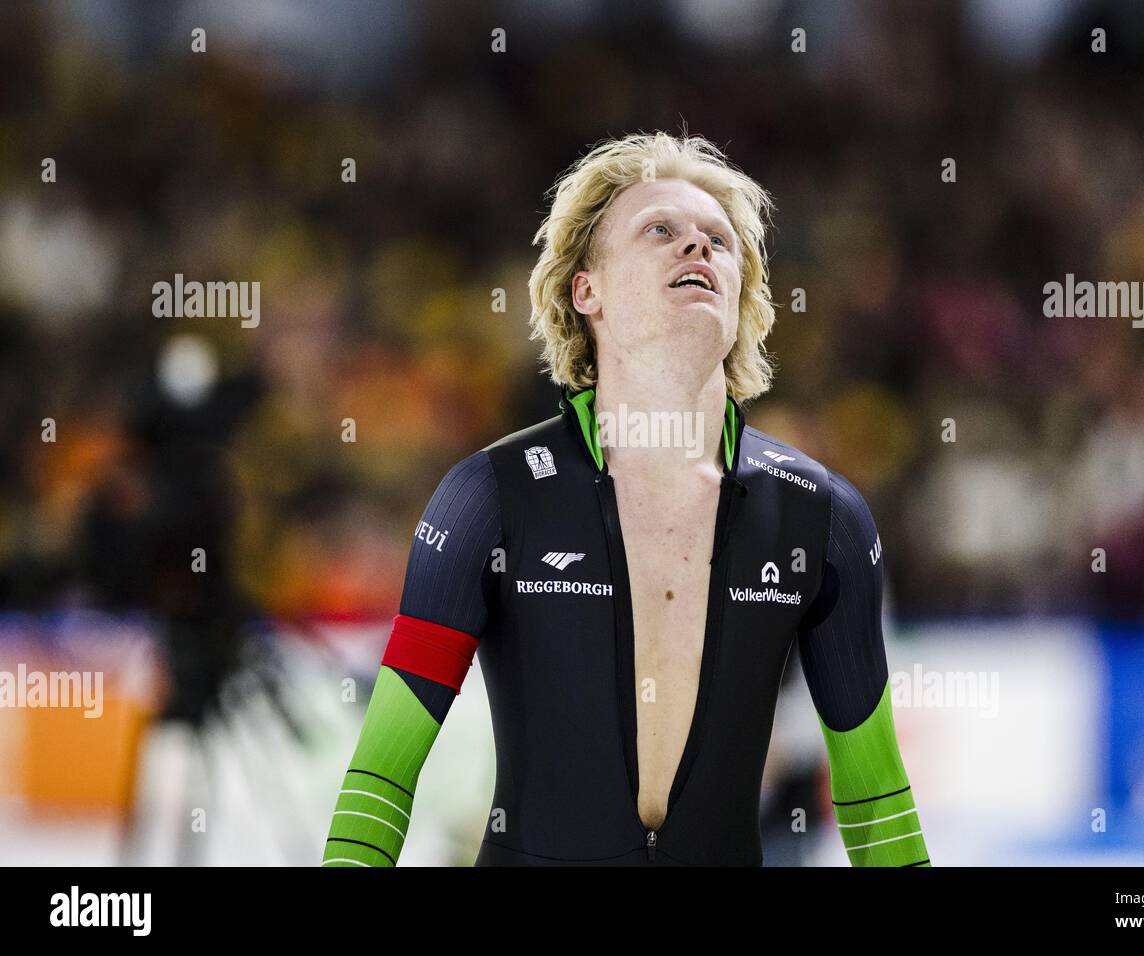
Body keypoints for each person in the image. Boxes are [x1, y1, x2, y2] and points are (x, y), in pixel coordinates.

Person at [323, 131, 929, 866]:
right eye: (661, 231)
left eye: (718, 241)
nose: (698, 249)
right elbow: (384, 775)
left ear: (741, 301)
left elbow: (877, 805)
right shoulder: (491, 498)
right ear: (589, 291)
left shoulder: (822, 517)